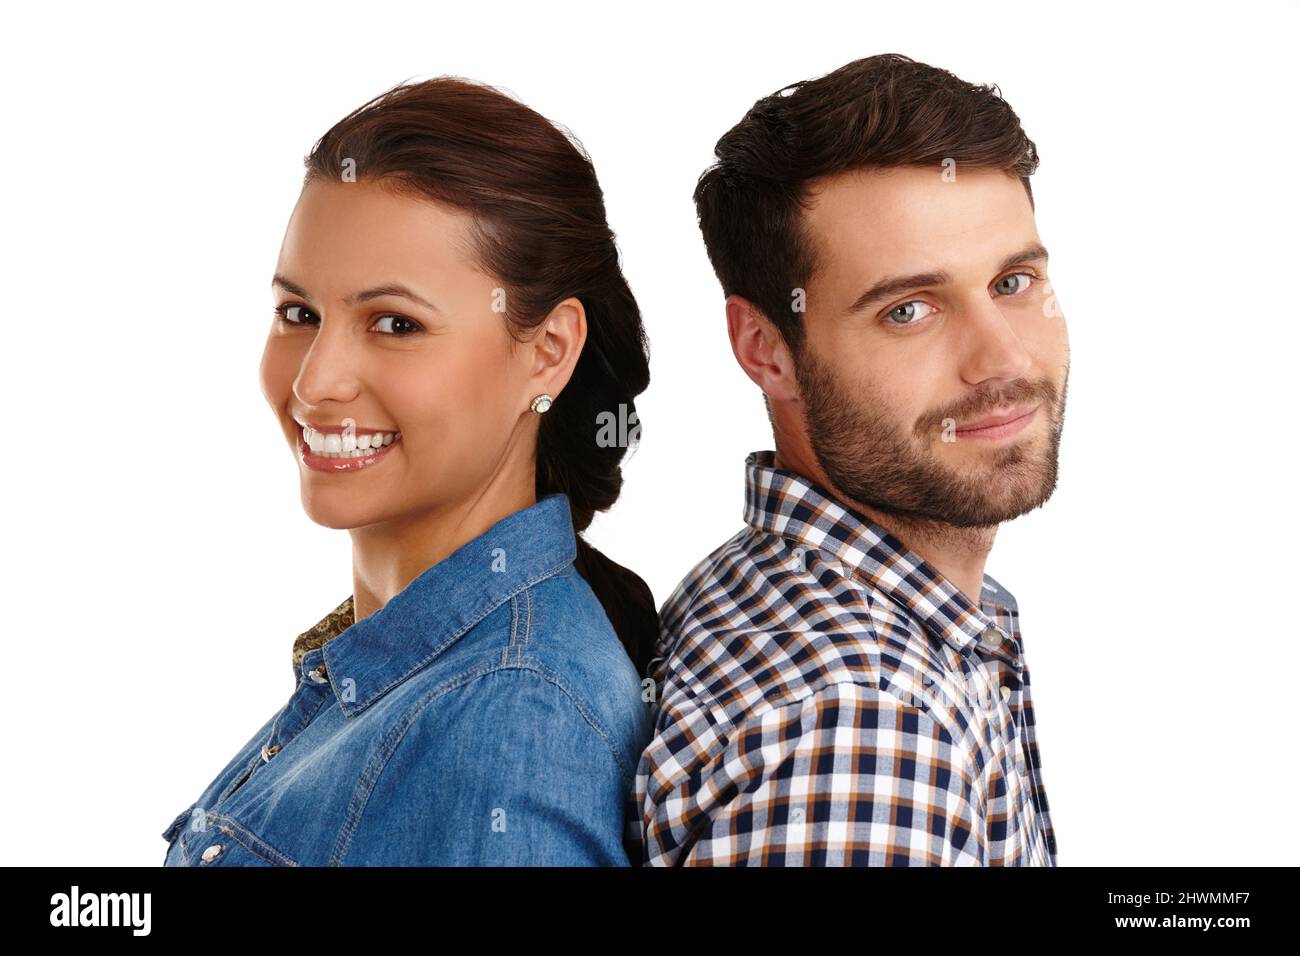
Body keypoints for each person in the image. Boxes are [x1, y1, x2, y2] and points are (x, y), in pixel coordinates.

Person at [161, 76, 656, 866]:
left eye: (395, 323)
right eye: (299, 314)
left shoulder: (509, 725)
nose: (315, 381)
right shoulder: (407, 674)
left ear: (548, 351)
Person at [631, 54, 1067, 866]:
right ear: (766, 349)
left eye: (1012, 282)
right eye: (909, 309)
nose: (1001, 359)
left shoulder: (812, 598)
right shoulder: (865, 725)